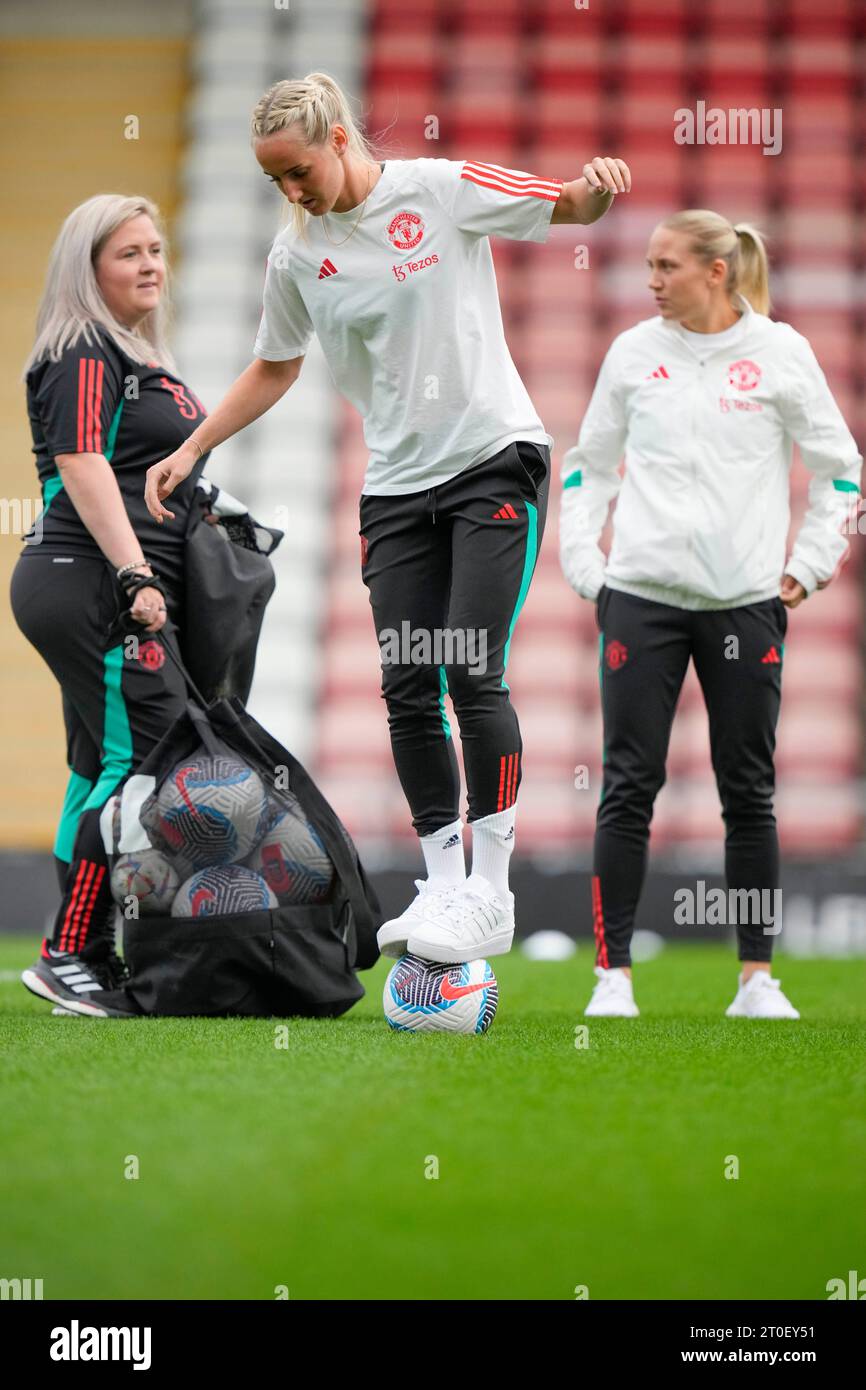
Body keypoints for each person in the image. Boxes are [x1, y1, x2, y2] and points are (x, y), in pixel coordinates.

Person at [144, 70, 631, 966]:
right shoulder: (295, 256)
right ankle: (444, 884)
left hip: (493, 460)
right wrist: (192, 447)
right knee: (408, 688)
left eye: (297, 171)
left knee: (469, 670)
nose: (291, 193)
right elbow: (275, 366)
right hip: (398, 489)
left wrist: (593, 189)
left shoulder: (437, 193)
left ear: (338, 139)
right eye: (272, 182)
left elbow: (564, 207)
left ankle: (492, 889)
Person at [559, 209, 862, 1019]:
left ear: (716, 272)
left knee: (748, 791)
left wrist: (809, 567)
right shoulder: (633, 353)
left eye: (666, 267)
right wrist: (592, 571)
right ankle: (612, 978)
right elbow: (587, 469)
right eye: (650, 267)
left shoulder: (781, 355)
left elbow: (841, 472)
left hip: (745, 608)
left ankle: (757, 981)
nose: (650, 281)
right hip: (642, 603)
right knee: (628, 785)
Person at [11, 194, 211, 1017]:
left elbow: (127, 464)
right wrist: (135, 577)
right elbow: (83, 462)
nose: (151, 264)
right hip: (94, 583)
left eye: (156, 249)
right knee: (143, 759)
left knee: (99, 765)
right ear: (87, 269)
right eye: (128, 252)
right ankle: (71, 952)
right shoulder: (85, 347)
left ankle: (80, 953)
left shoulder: (123, 350)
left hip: (90, 582)